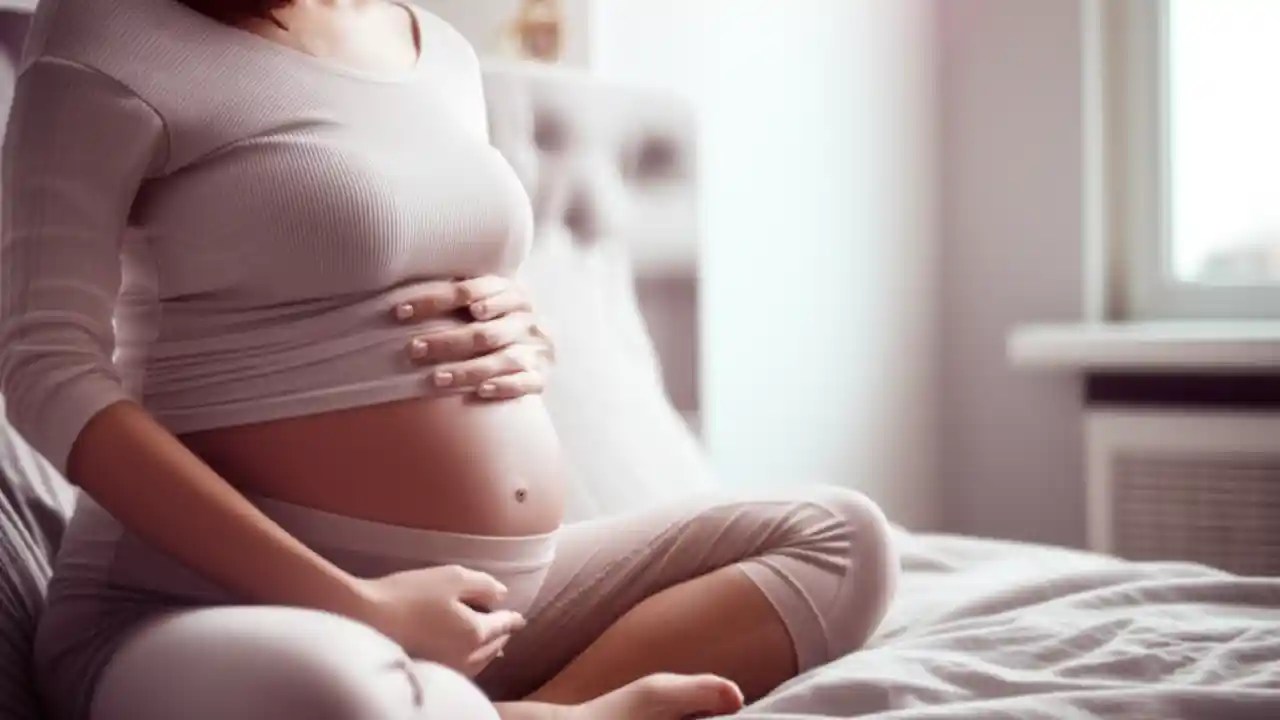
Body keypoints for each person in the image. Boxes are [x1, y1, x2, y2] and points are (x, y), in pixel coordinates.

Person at [0, 0, 900, 718]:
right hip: (204, 611)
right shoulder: (105, 30)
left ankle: (548, 710)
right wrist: (360, 604)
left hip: (483, 611)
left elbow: (401, 274)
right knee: (348, 696)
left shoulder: (440, 52)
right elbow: (44, 364)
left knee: (844, 541)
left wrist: (526, 325)